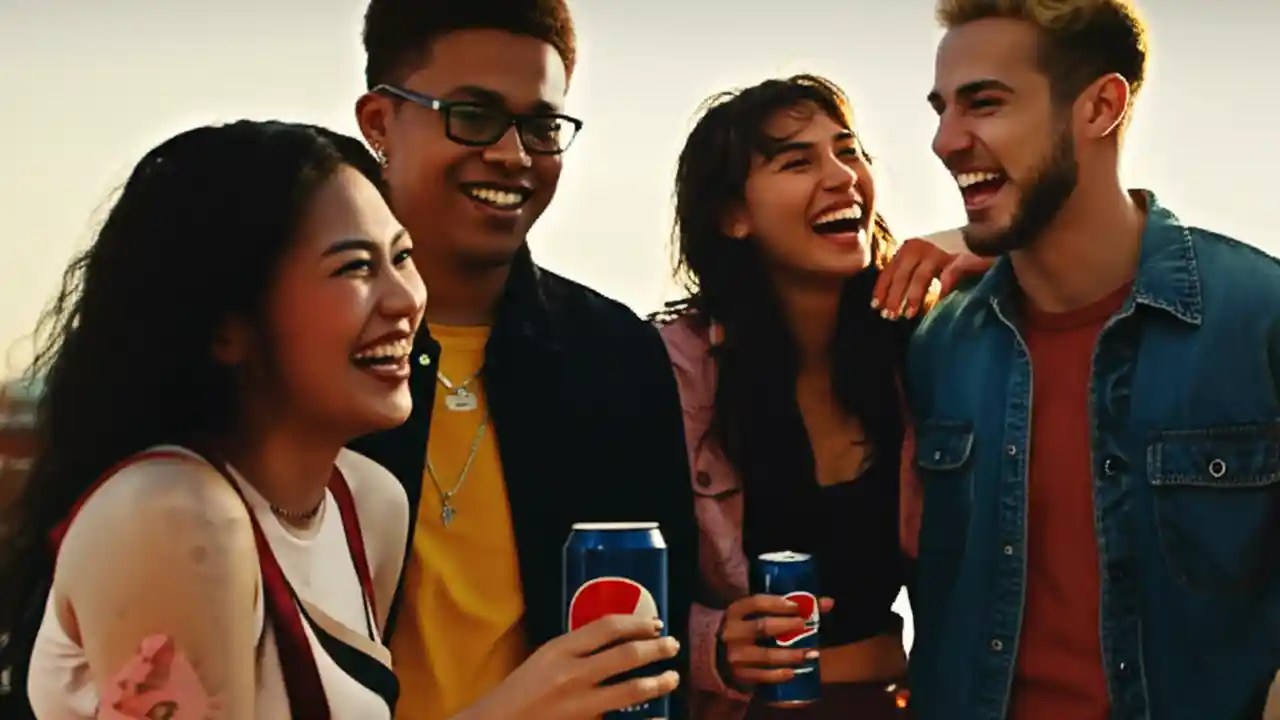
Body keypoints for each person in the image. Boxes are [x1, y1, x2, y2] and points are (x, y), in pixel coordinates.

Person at [906, 1, 1280, 718]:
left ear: (1100, 107)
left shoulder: (1259, 319)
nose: (946, 141)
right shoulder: (940, 345)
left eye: (984, 103)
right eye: (942, 108)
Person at [0, 121, 424, 718]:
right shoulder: (172, 517)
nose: (406, 299)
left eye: (402, 257)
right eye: (355, 267)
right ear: (226, 329)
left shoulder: (368, 505)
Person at [348, 2, 696, 719]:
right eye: (473, 116)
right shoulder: (302, 346)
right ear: (379, 121)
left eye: (541, 127)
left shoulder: (614, 355)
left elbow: (658, 654)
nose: (512, 155)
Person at [655, 74, 963, 720]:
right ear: (733, 216)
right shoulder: (671, 370)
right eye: (797, 162)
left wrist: (968, 244)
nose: (842, 177)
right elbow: (610, 585)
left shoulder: (924, 352)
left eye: (849, 152)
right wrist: (712, 644)